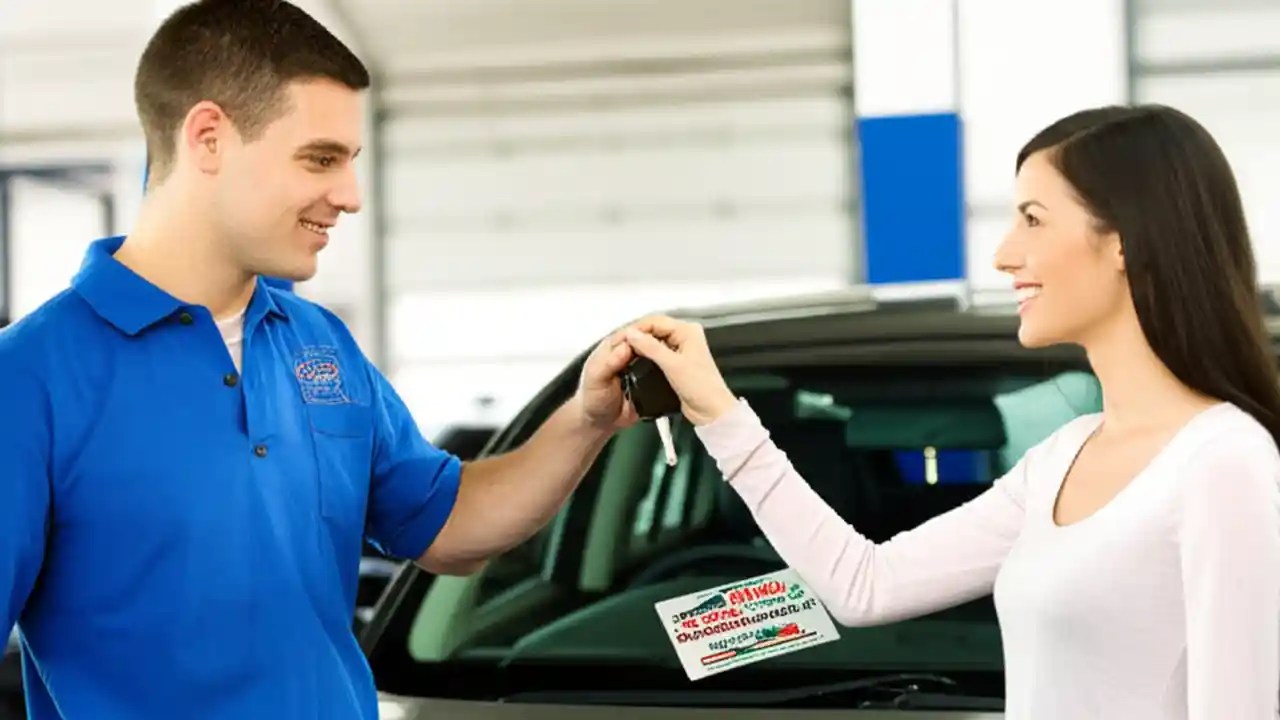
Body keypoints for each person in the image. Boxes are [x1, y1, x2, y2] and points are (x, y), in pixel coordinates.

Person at [0, 2, 639, 719]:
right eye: (321, 158)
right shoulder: (25, 380)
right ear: (209, 138)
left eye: (351, 162)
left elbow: (450, 527)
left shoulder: (317, 342)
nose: (350, 197)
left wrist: (586, 420)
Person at [623, 104, 1280, 719]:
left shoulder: (1222, 462)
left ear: (1124, 241)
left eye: (1032, 219)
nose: (1004, 255)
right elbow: (864, 584)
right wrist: (717, 411)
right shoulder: (1063, 457)